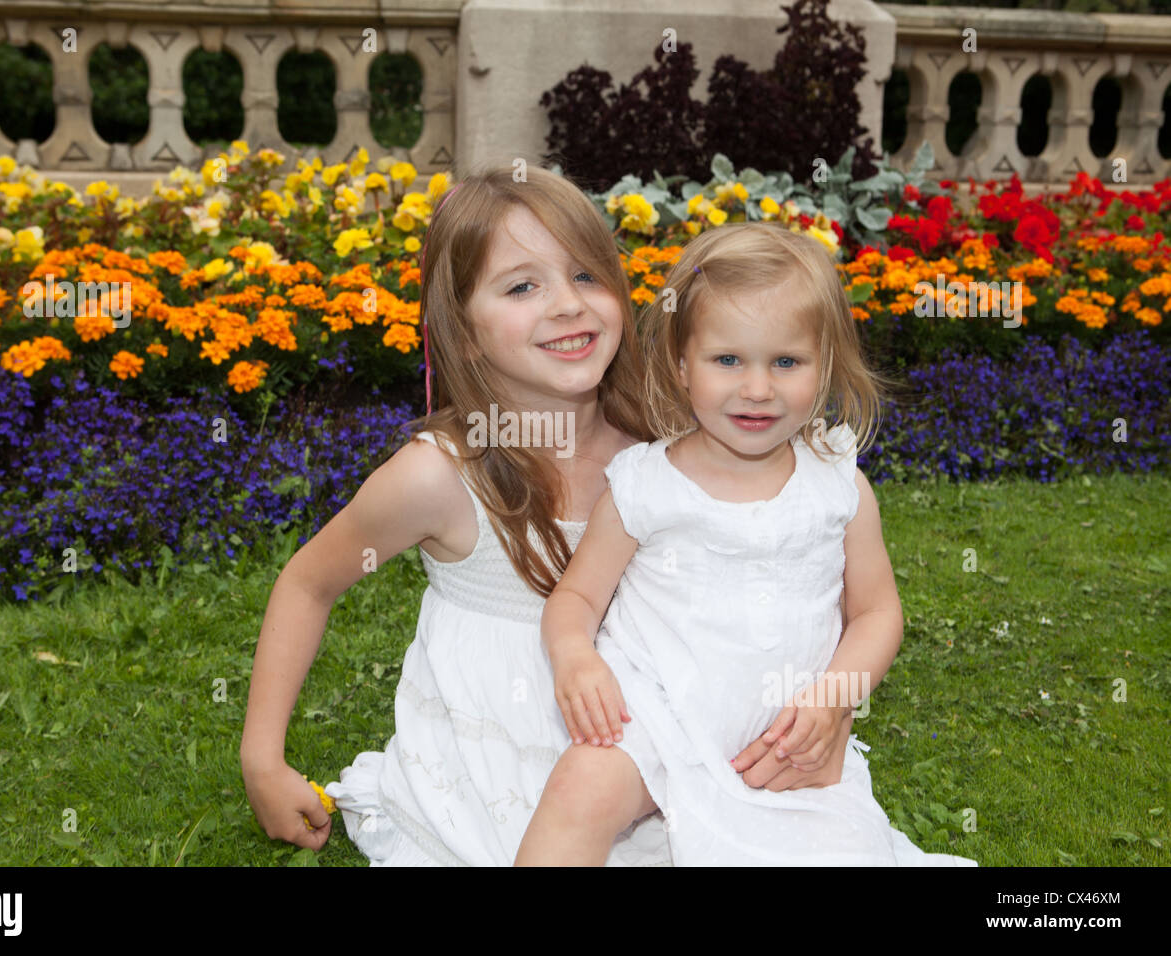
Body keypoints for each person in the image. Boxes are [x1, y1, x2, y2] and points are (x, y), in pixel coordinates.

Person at [241, 166, 858, 866]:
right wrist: (262, 760)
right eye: (522, 286)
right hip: (496, 759)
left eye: (587, 277)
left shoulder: (674, 448)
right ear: (464, 330)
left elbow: (789, 577)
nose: (567, 304)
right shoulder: (442, 475)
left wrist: (825, 701)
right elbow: (308, 584)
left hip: (651, 732)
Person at [514, 222, 978, 866]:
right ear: (682, 364)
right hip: (653, 713)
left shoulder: (836, 484)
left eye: (785, 362)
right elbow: (578, 596)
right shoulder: (646, 484)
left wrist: (833, 698)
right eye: (728, 360)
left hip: (784, 732)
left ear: (823, 368)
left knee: (841, 851)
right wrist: (573, 656)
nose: (757, 388)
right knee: (578, 792)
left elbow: (876, 612)